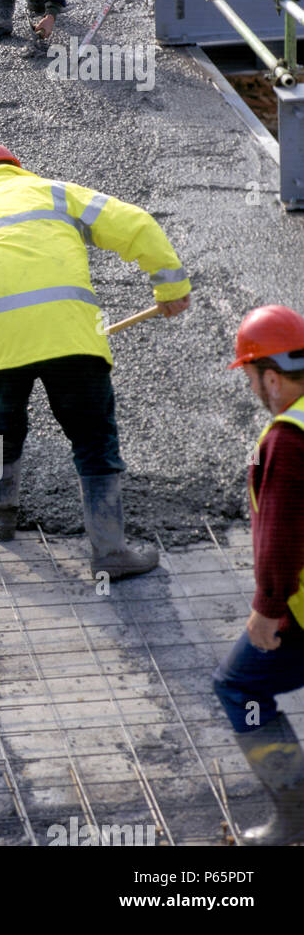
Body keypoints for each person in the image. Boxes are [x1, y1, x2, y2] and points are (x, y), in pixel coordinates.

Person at [0, 141, 190, 577]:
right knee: (92, 436)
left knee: (0, 422)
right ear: (17, 170)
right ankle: (110, 553)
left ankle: (1, 512)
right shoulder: (53, 192)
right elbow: (136, 224)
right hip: (71, 337)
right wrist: (169, 287)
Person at [214, 304, 304, 845]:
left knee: (240, 684)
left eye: (249, 376)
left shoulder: (289, 439)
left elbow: (281, 534)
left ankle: (296, 818)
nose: (251, 386)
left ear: (270, 377)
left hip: (298, 608)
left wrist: (269, 607)